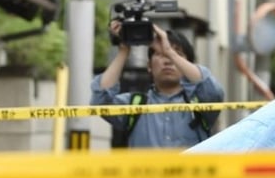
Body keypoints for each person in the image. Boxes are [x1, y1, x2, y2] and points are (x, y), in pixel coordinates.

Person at [91, 22, 225, 148]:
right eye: (160, 55)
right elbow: (100, 101)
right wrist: (124, 50)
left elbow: (214, 92)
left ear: (188, 65)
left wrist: (169, 51)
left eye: (177, 55)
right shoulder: (135, 105)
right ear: (149, 66)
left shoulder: (199, 105)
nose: (168, 61)